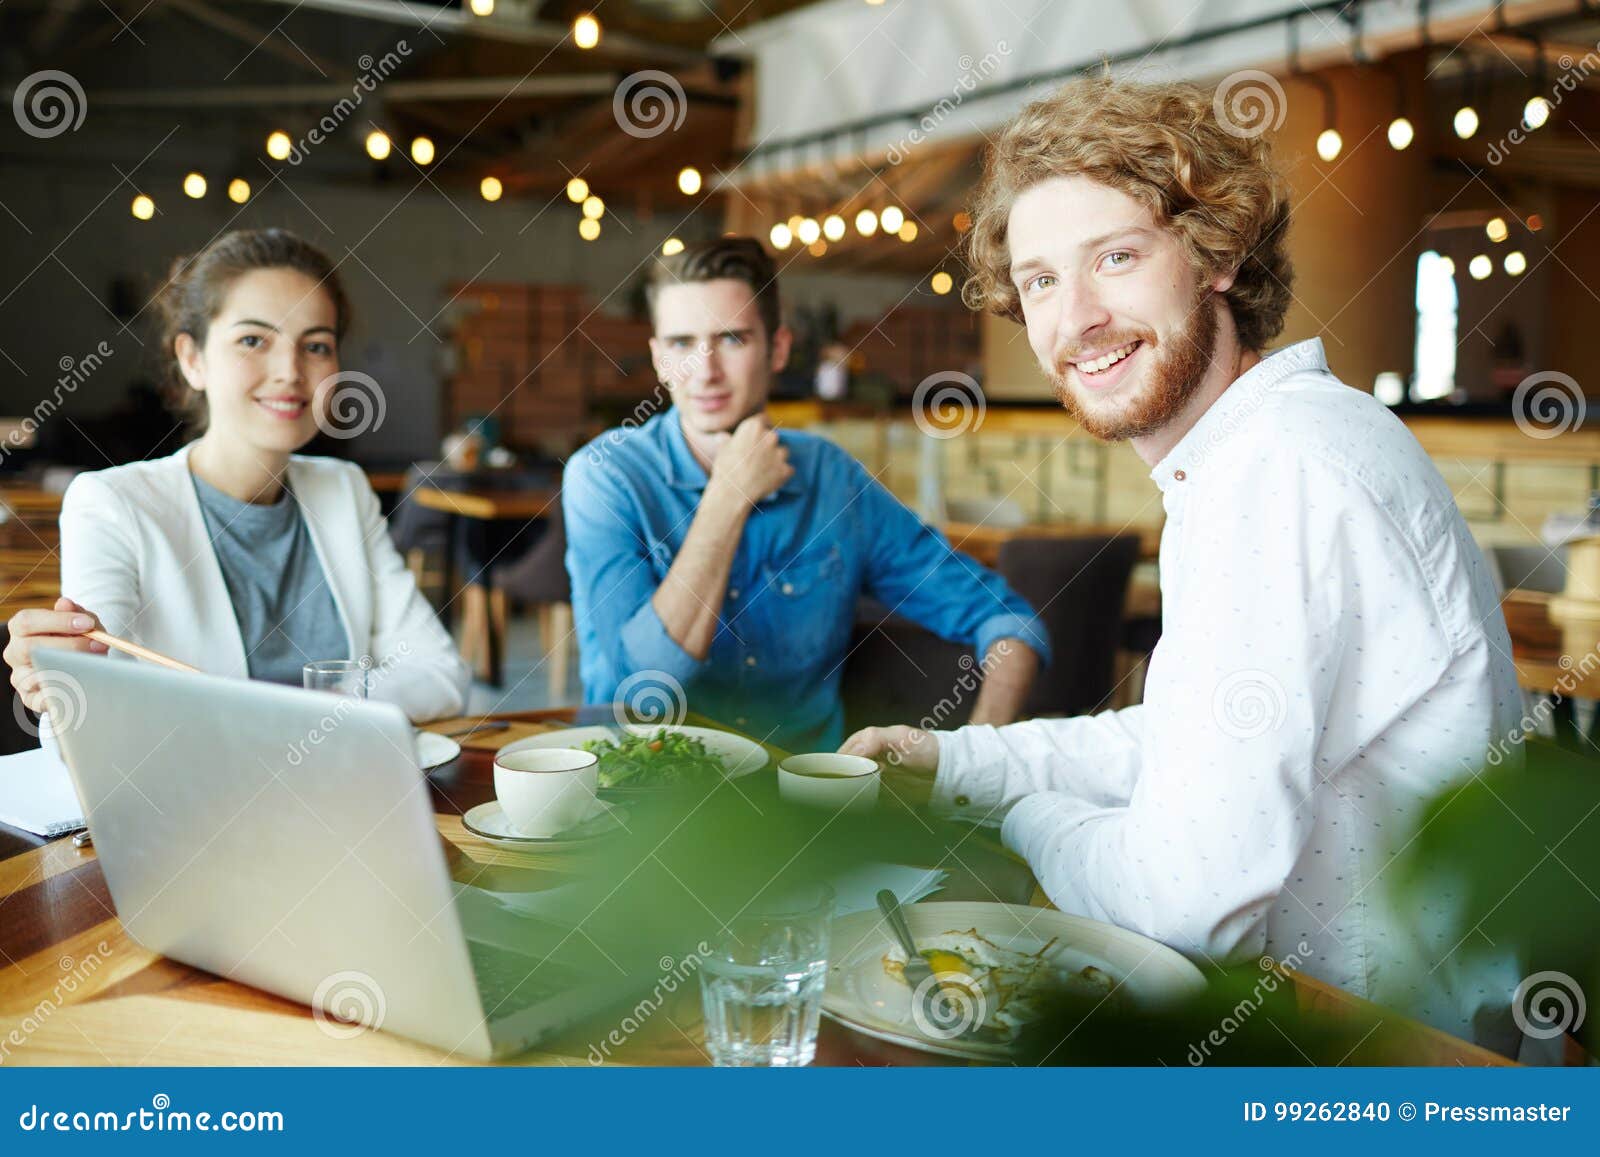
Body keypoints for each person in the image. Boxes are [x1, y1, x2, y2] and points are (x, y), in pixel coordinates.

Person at [840, 77, 1523, 1053]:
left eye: (1114, 257)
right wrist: (954, 759)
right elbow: (1191, 741)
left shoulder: (1278, 470)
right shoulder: (1270, 446)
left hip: (1390, 1054)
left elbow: (1187, 902)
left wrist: (1027, 817)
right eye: (1038, 280)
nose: (1074, 318)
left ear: (1215, 254)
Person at [563, 238, 1050, 754]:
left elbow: (1007, 620)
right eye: (682, 343)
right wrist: (728, 499)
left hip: (799, 805)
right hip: (636, 793)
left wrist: (978, 758)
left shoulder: (833, 481)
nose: (704, 371)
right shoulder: (605, 476)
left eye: (731, 339)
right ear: (659, 358)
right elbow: (638, 694)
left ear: (778, 348)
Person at [5, 228, 468, 724]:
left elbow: (442, 674)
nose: (290, 371)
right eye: (253, 340)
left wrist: (295, 719)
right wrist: (61, 683)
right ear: (192, 359)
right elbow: (89, 720)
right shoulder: (112, 504)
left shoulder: (343, 489)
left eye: (316, 346)